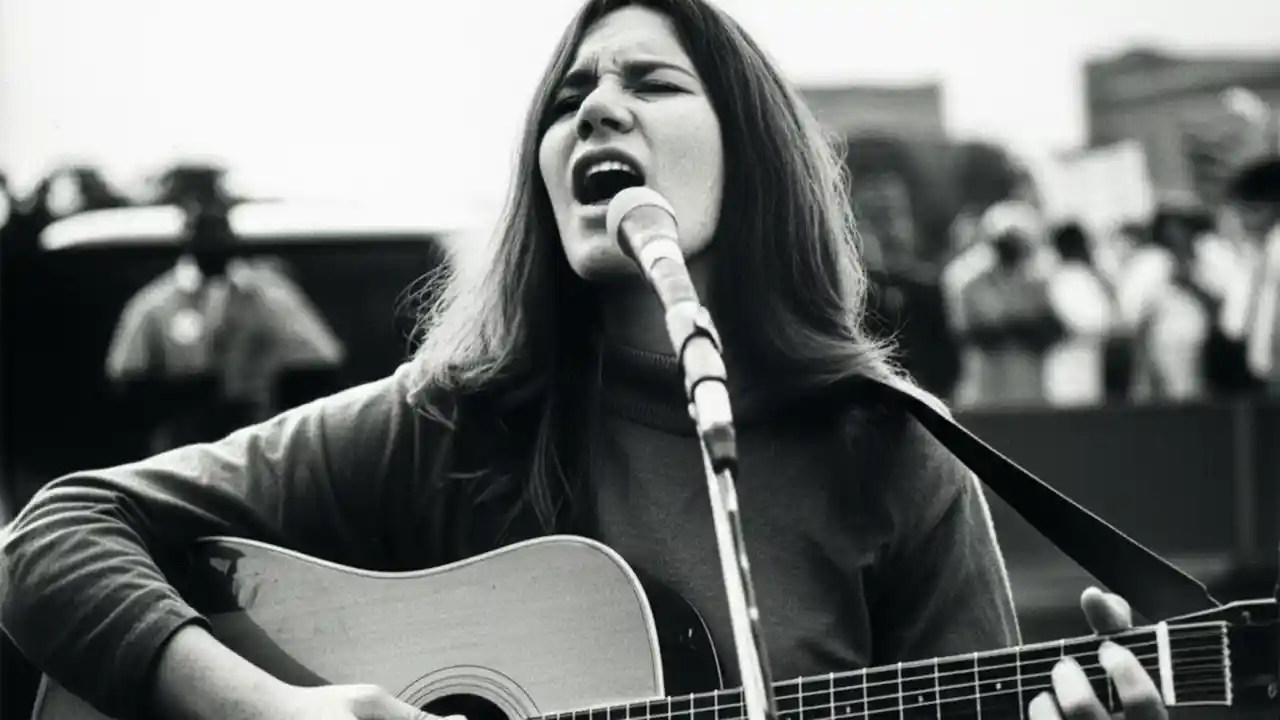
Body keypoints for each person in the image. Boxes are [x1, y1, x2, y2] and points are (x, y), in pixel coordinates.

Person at [1, 2, 1167, 720]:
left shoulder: (895, 459)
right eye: (568, 97)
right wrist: (264, 710)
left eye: (649, 82)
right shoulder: (448, 425)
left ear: (754, 156)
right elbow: (53, 536)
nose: (596, 109)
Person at [104, 200, 346, 451]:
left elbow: (323, 359)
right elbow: (127, 380)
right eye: (203, 229)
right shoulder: (156, 304)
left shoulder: (270, 296)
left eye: (219, 229)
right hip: (182, 448)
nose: (213, 240)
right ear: (186, 236)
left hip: (257, 442)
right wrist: (191, 393)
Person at [1044, 223, 1115, 406]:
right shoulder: (1069, 277)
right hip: (1070, 357)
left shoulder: (1081, 275)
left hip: (1088, 357)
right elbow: (1094, 322)